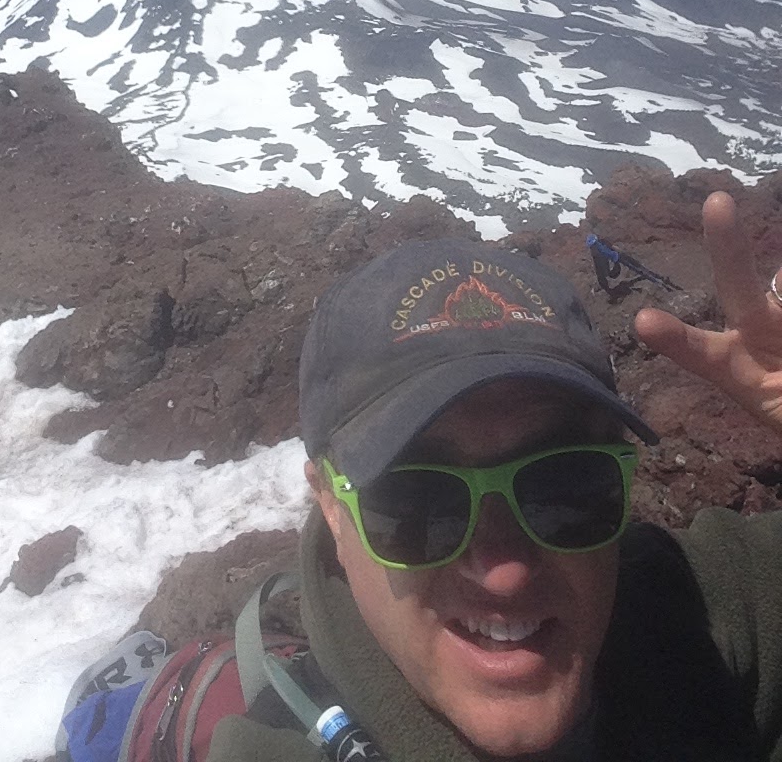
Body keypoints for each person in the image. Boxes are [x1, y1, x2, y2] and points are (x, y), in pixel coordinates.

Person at [207, 191, 782, 761]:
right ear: (331, 507)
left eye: (564, 486)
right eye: (420, 502)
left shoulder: (693, 613)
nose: (504, 574)